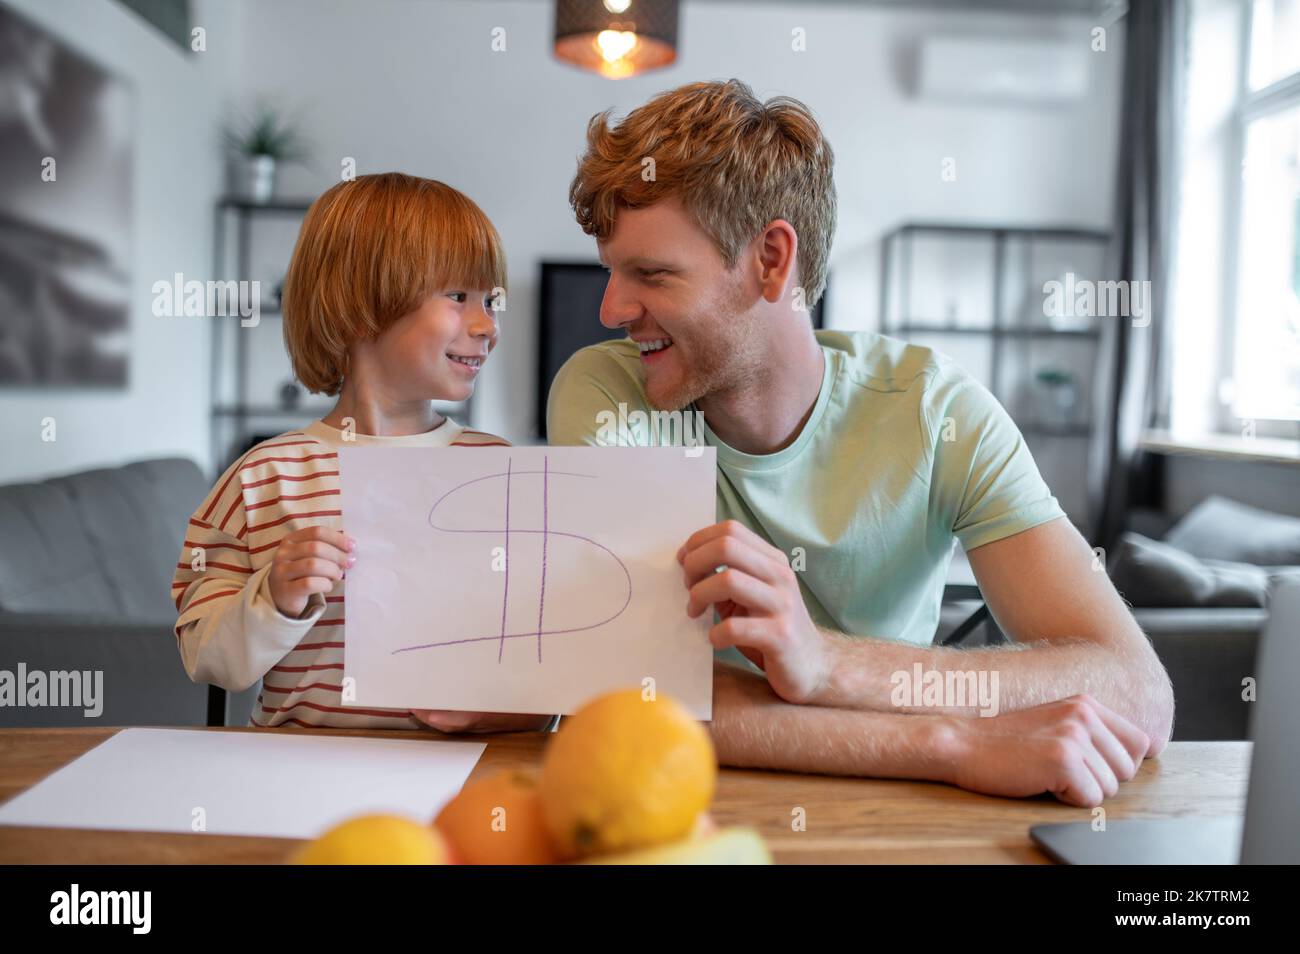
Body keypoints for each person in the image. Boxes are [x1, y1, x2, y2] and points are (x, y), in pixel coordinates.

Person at [548, 80, 1174, 807]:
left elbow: (1137, 690)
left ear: (770, 261)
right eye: (611, 271)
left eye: (651, 274)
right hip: (681, 804)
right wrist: (951, 742)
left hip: (898, 822)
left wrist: (828, 666)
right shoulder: (604, 394)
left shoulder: (936, 413)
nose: (611, 309)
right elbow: (630, 685)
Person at [173, 172, 553, 734]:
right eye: (457, 296)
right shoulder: (263, 478)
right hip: (300, 786)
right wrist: (273, 599)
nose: (488, 326)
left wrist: (505, 706)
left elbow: (548, 656)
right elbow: (208, 658)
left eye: (490, 301)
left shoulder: (502, 473)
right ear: (360, 307)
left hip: (471, 781)